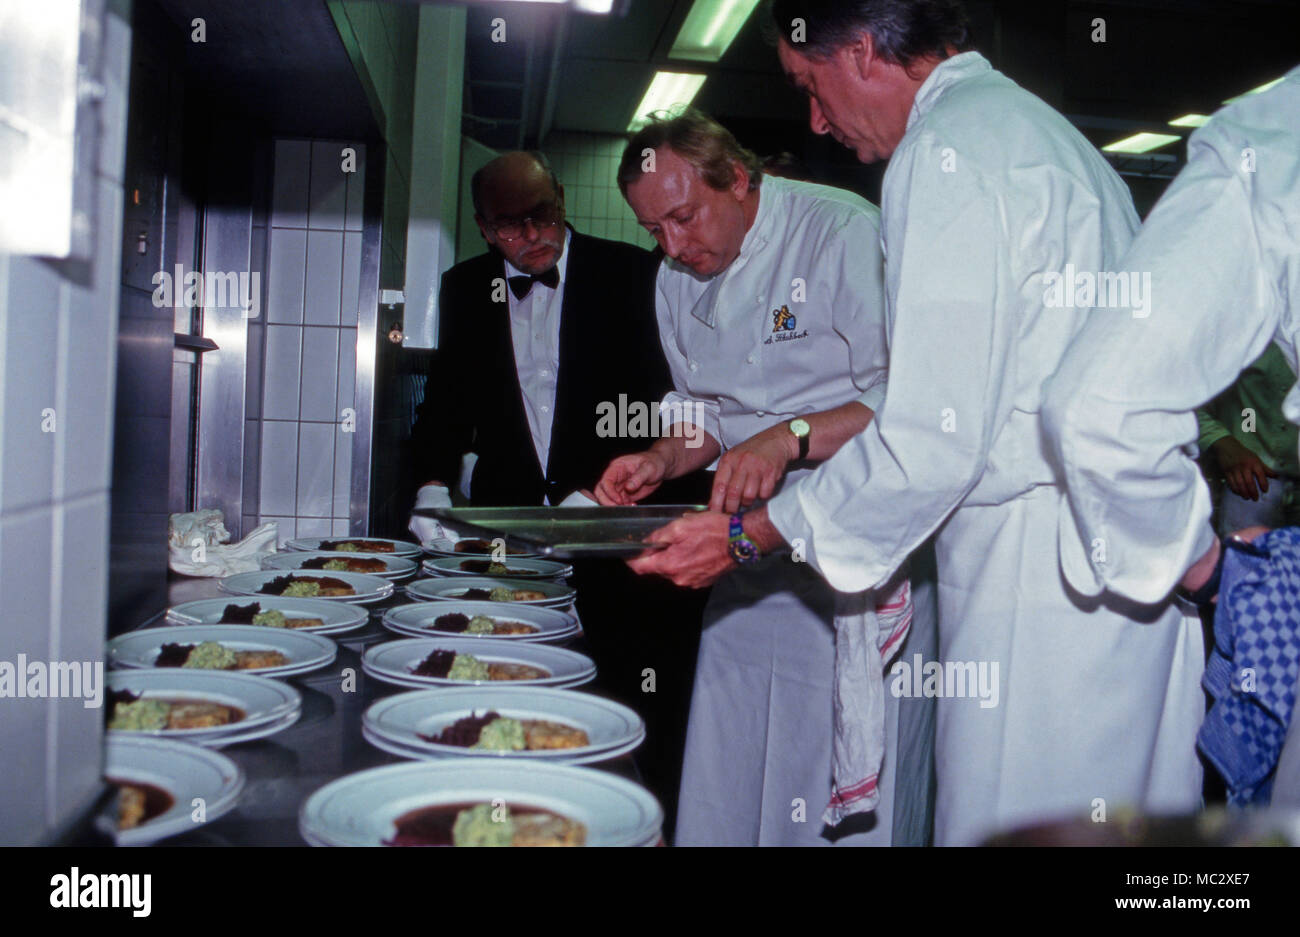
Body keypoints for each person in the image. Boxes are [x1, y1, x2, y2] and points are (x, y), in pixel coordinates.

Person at [627, 0, 1206, 845]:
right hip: (1128, 564)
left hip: (1039, 575)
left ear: (861, 51)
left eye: (812, 88)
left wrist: (751, 534)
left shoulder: (941, 156)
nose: (816, 122)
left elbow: (928, 434)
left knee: (1015, 823)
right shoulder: (1037, 134)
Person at [597, 107, 937, 847]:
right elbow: (704, 415)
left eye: (685, 218)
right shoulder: (676, 281)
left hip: (853, 546)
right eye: (655, 231)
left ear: (739, 179)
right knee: (733, 752)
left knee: (832, 757)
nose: (675, 247)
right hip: (745, 556)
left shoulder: (840, 233)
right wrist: (660, 457)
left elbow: (905, 405)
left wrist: (790, 438)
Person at [405, 150, 711, 834]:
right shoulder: (464, 289)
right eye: (511, 225)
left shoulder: (635, 274)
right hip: (517, 557)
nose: (533, 234)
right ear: (485, 228)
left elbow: (676, 405)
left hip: (624, 553)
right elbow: (444, 414)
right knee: (516, 715)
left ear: (563, 199)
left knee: (634, 716)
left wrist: (602, 494)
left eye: (543, 214)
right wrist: (428, 487)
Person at [1198, 343, 1300, 537]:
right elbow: (1186, 402)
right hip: (1253, 479)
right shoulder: (1242, 329)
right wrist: (1222, 441)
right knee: (1243, 561)